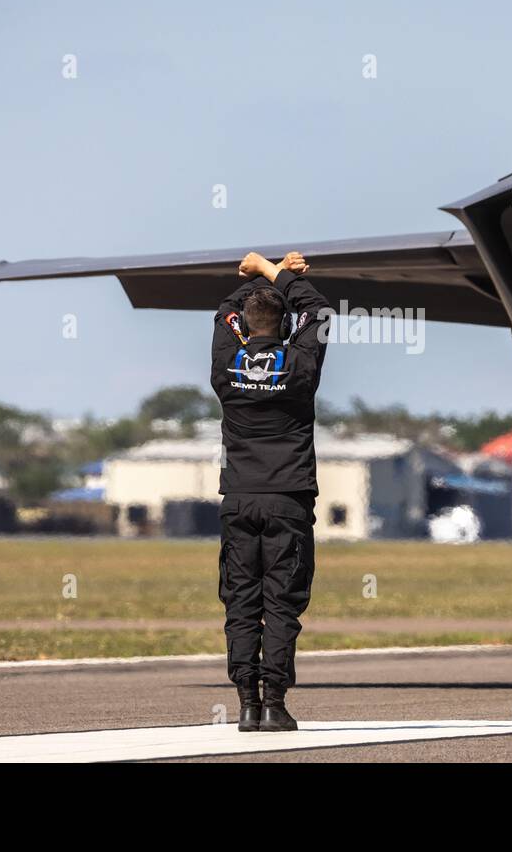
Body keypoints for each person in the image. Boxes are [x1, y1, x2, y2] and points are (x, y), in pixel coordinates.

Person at [210, 250, 329, 732]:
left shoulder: (226, 365)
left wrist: (256, 272)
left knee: (241, 602)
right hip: (288, 500)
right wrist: (277, 273)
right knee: (281, 603)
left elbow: (224, 313)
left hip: (238, 500)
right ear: (285, 324)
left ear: (243, 324)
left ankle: (246, 703)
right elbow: (319, 311)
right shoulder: (300, 366)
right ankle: (274, 705)